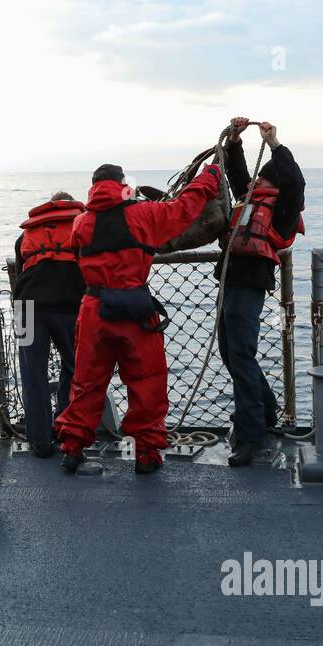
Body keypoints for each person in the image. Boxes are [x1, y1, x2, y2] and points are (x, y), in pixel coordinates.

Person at [54, 162, 223, 475]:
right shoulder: (144, 214)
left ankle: (72, 448)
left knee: (86, 382)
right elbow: (185, 209)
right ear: (122, 184)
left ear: (93, 187)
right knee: (147, 381)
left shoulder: (80, 223)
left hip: (95, 308)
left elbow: (77, 254)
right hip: (135, 307)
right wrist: (209, 177)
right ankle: (146, 454)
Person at [217, 118, 306, 467]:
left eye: (263, 177)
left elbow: (296, 179)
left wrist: (275, 144)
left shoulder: (284, 206)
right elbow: (238, 176)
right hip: (231, 281)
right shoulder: (253, 195)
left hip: (250, 282)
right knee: (231, 351)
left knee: (240, 353)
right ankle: (266, 411)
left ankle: (250, 436)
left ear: (273, 180)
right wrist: (236, 141)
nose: (255, 182)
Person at [12, 192, 85, 457]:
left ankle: (40, 442)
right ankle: (64, 428)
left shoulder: (25, 235)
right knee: (75, 367)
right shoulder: (81, 226)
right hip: (69, 307)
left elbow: (21, 273)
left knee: (33, 375)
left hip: (27, 310)